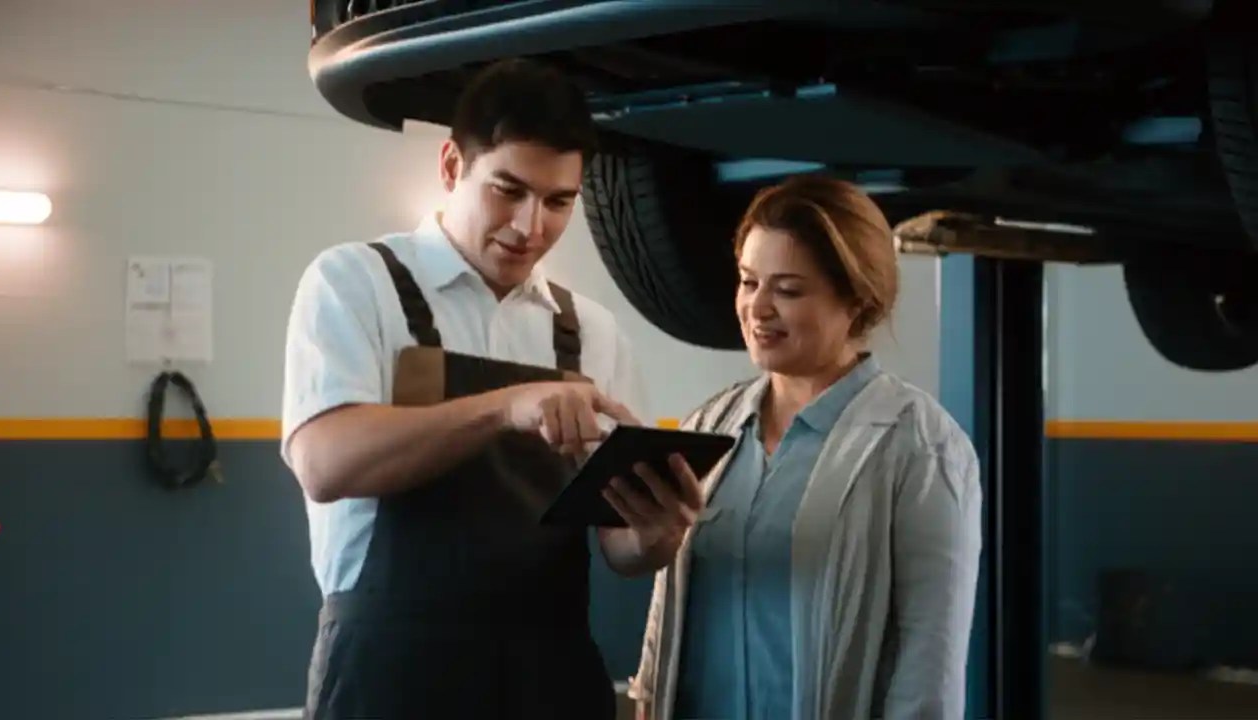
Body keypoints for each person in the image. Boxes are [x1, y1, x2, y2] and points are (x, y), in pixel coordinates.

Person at [280, 57, 701, 720]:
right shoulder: (356, 283)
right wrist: (507, 407)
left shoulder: (591, 332)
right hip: (392, 672)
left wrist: (657, 534)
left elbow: (620, 549)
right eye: (509, 189)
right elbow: (324, 465)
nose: (532, 226)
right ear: (452, 167)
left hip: (550, 675)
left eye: (559, 201)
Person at [627, 175, 983, 720]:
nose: (757, 308)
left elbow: (929, 664)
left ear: (857, 302)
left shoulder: (922, 447)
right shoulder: (710, 426)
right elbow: (669, 607)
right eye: (749, 282)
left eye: (788, 290)